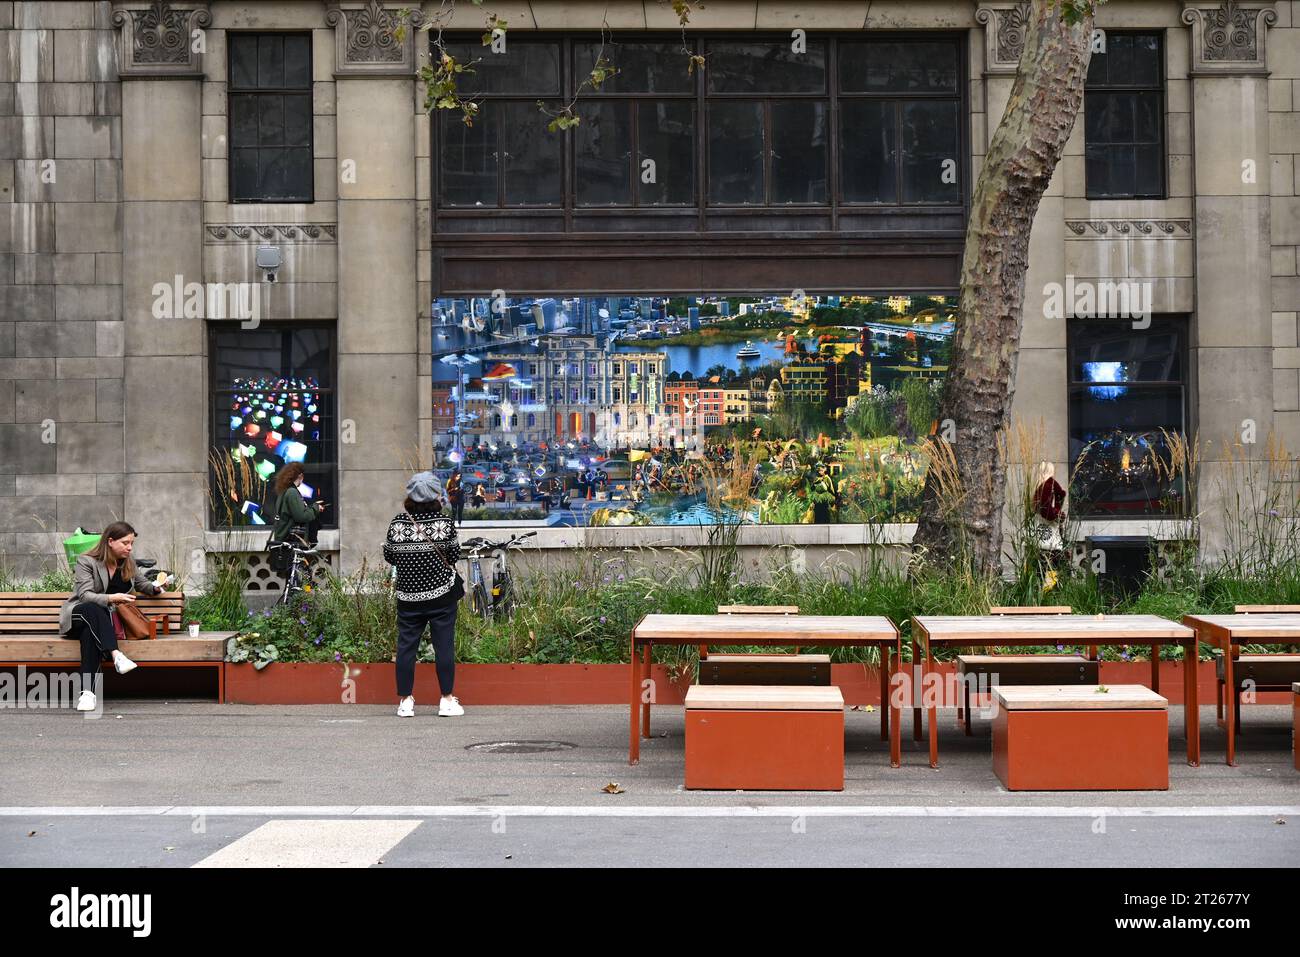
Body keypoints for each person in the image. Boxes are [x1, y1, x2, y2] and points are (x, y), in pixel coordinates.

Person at [59, 522, 171, 712]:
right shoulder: (86, 561)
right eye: (125, 543)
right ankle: (116, 654)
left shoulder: (127, 562)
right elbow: (85, 595)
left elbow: (142, 584)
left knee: (89, 636)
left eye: (132, 543)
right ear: (110, 541)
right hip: (79, 614)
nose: (129, 547)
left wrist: (157, 587)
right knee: (93, 608)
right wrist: (112, 598)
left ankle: (87, 694)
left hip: (100, 625)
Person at [384, 471, 464, 719]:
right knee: (444, 647)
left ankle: (405, 701)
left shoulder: (398, 524)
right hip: (441, 596)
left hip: (408, 597)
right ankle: (446, 700)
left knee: (406, 647)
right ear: (436, 495)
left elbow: (390, 556)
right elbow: (453, 555)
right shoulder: (444, 523)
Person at [270, 463, 325, 546]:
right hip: (291, 541)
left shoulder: (284, 491)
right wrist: (316, 508)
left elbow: (294, 512)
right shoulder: (292, 492)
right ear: (301, 476)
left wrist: (313, 507)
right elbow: (301, 516)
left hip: (284, 540)